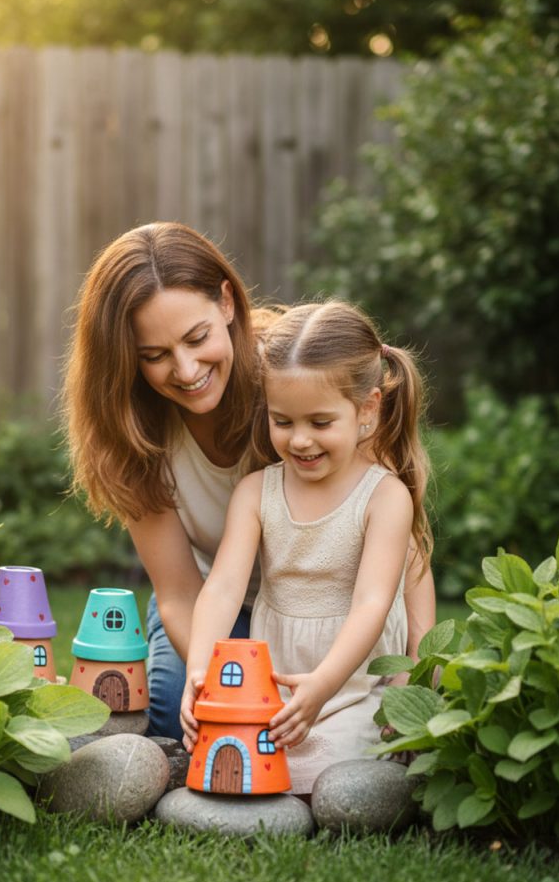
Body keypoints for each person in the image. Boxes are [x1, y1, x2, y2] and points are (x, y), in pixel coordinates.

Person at [64, 223, 434, 741]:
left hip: (333, 609)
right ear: (125, 357)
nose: (187, 369)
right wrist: (216, 683)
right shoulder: (134, 434)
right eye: (154, 355)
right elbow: (178, 594)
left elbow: (400, 539)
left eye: (197, 338)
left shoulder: (299, 381)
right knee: (177, 708)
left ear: (227, 303)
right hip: (217, 603)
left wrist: (419, 663)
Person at [181, 300, 433, 795]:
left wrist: (321, 687)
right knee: (242, 760)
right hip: (271, 679)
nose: (299, 441)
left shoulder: (384, 497)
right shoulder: (256, 491)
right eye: (283, 421)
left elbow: (372, 605)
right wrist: (200, 669)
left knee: (324, 777)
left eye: (320, 423)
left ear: (367, 410)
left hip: (351, 680)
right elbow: (224, 587)